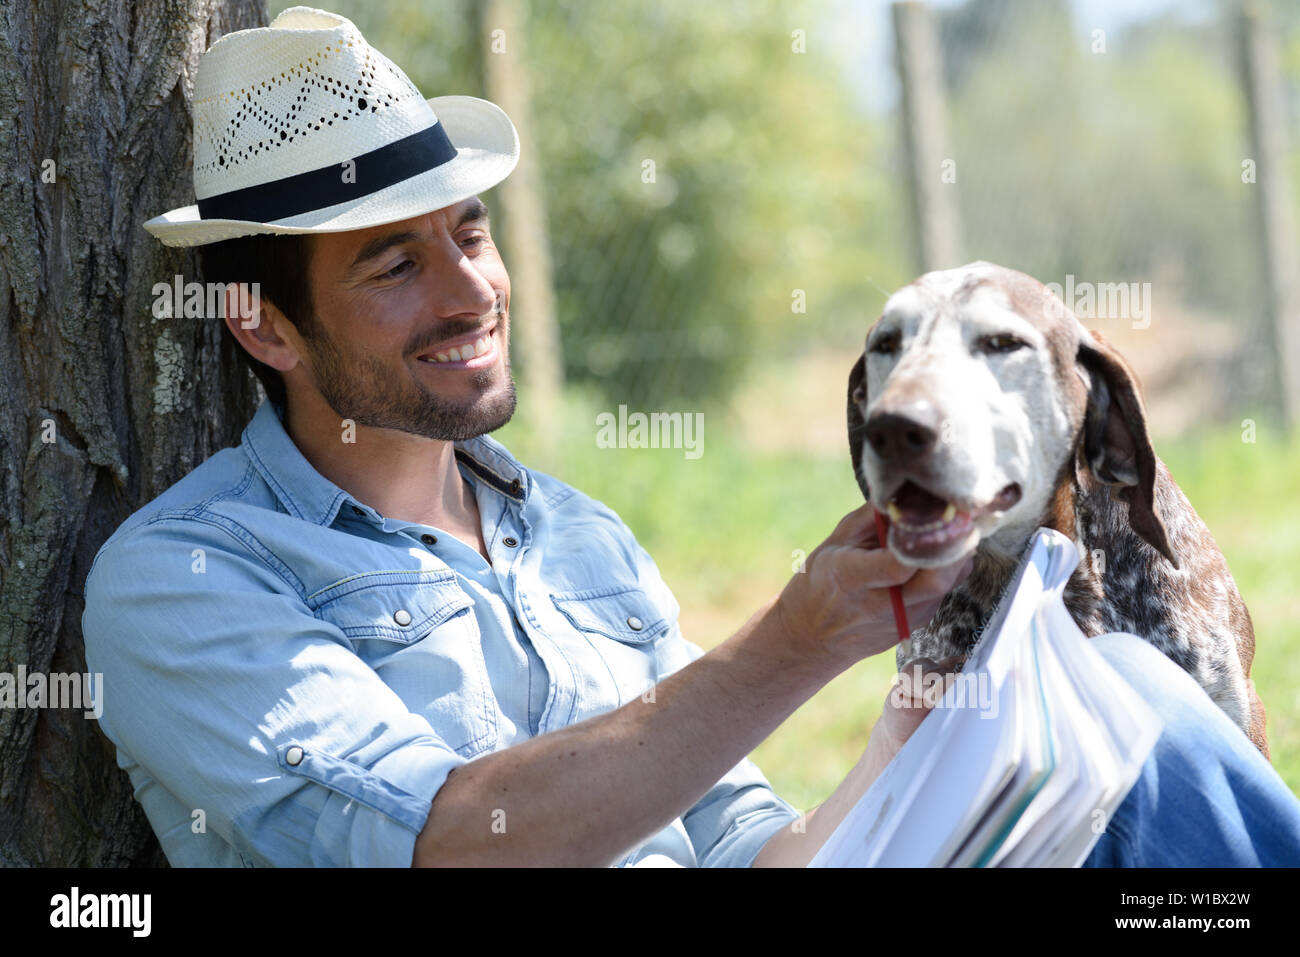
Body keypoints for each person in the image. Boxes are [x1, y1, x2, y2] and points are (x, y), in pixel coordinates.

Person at [82, 6, 1300, 868]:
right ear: (264, 326)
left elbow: (758, 857)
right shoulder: (187, 578)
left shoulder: (577, 540)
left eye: (469, 233)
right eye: (395, 264)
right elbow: (454, 846)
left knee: (1130, 711)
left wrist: (924, 716)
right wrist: (794, 641)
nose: (468, 293)